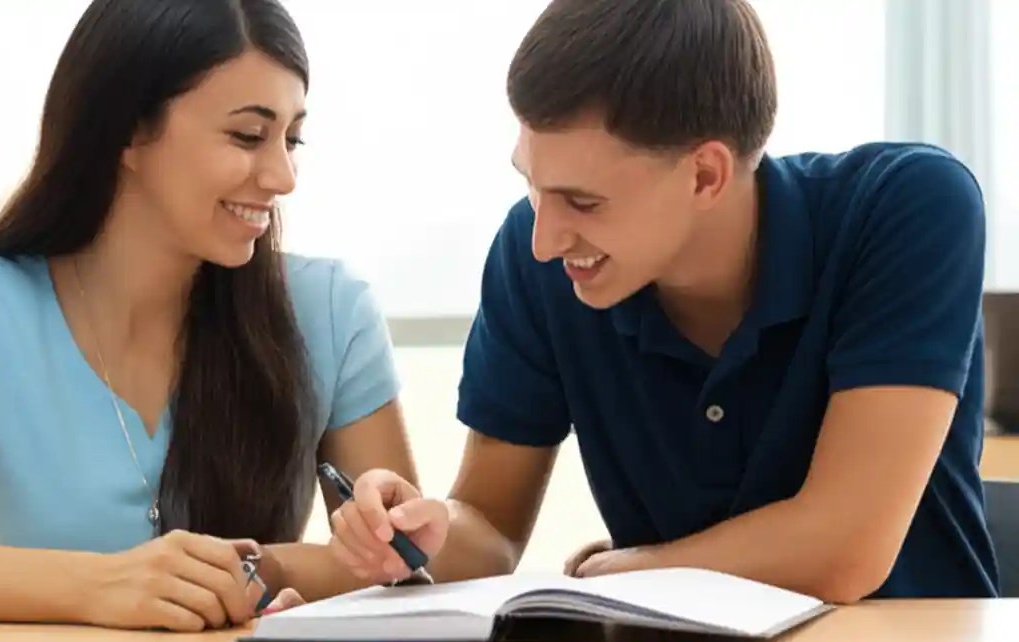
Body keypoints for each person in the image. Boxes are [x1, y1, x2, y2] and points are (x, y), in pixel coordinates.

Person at [329, 0, 999, 602]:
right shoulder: (537, 262)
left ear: (704, 175)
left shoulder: (907, 207)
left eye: (582, 202)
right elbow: (492, 527)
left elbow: (844, 551)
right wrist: (431, 532)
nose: (544, 240)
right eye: (533, 187)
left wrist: (627, 570)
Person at [0, 0, 418, 632]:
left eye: (292, 139)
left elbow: (402, 563)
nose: (283, 176)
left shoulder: (331, 310)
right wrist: (103, 585)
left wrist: (260, 575)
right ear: (127, 129)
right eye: (247, 135)